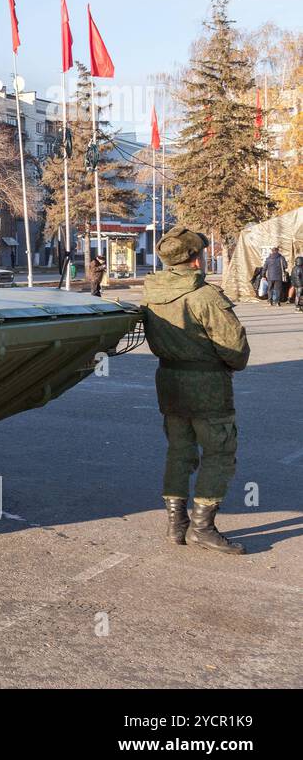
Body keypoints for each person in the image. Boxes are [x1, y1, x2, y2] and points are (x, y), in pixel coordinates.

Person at [142, 227, 251, 555]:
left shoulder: (151, 292)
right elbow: (235, 349)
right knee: (219, 452)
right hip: (207, 387)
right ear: (194, 259)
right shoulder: (206, 296)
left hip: (169, 383)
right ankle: (202, 527)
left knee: (179, 451)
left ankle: (177, 525)